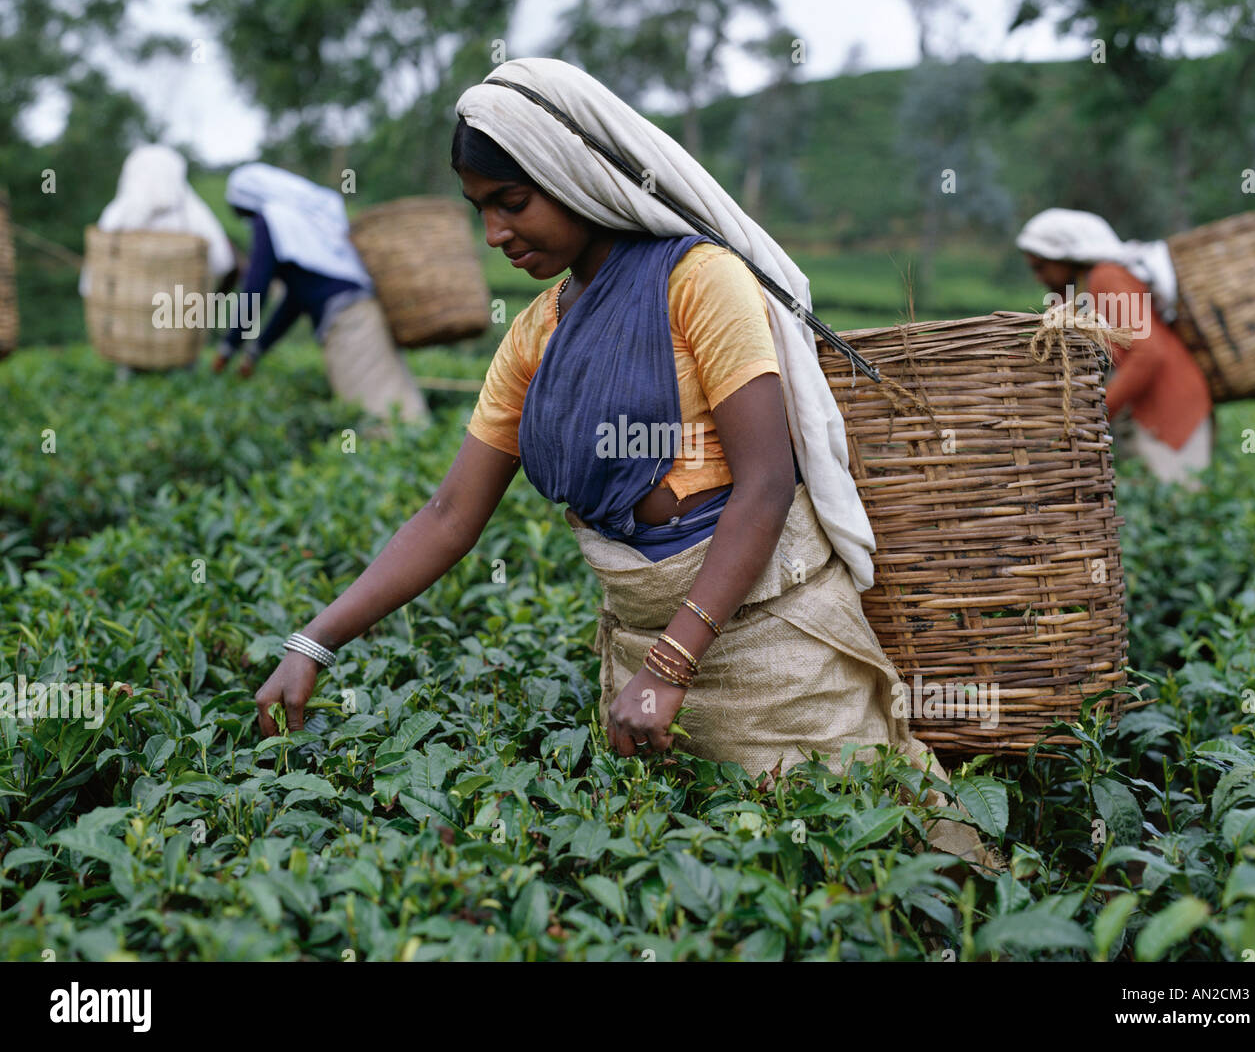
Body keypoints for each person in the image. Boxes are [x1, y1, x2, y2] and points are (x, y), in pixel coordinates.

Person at [253, 59, 992, 867]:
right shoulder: (534, 335)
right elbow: (448, 516)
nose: (495, 235)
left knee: (864, 863)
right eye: (480, 211)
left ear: (572, 173)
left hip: (766, 649)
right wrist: (315, 640)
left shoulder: (699, 282)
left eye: (512, 201)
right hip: (643, 668)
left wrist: (676, 661)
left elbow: (767, 482)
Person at [214, 163, 431, 428]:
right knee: (390, 399)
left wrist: (227, 348)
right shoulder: (297, 224)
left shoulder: (270, 218)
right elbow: (294, 301)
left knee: (377, 416)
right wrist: (255, 351)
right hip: (358, 314)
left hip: (350, 323)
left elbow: (255, 289)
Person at [1017, 208, 1214, 487]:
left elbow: (1149, 354)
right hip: (1139, 413)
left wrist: (1098, 412)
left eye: (1041, 266)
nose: (1038, 276)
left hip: (1169, 407)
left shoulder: (1106, 277)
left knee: (1179, 501)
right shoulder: (1075, 291)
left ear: (1064, 257)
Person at [82, 143, 239, 297]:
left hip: (127, 311)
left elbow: (93, 273)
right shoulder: (193, 214)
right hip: (178, 311)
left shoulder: (118, 214)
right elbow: (222, 262)